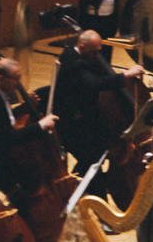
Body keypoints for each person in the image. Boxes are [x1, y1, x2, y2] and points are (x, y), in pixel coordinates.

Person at [53, 29, 145, 172]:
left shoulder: (86, 56)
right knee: (92, 158)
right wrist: (125, 75)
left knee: (97, 156)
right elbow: (94, 84)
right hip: (72, 123)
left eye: (99, 51)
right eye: (94, 52)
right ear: (82, 47)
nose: (98, 56)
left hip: (86, 118)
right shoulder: (73, 62)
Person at [0, 57, 57, 208]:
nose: (19, 83)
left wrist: (25, 107)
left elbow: (5, 118)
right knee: (27, 183)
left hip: (6, 153)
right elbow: (8, 138)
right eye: (16, 78)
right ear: (1, 77)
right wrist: (40, 125)